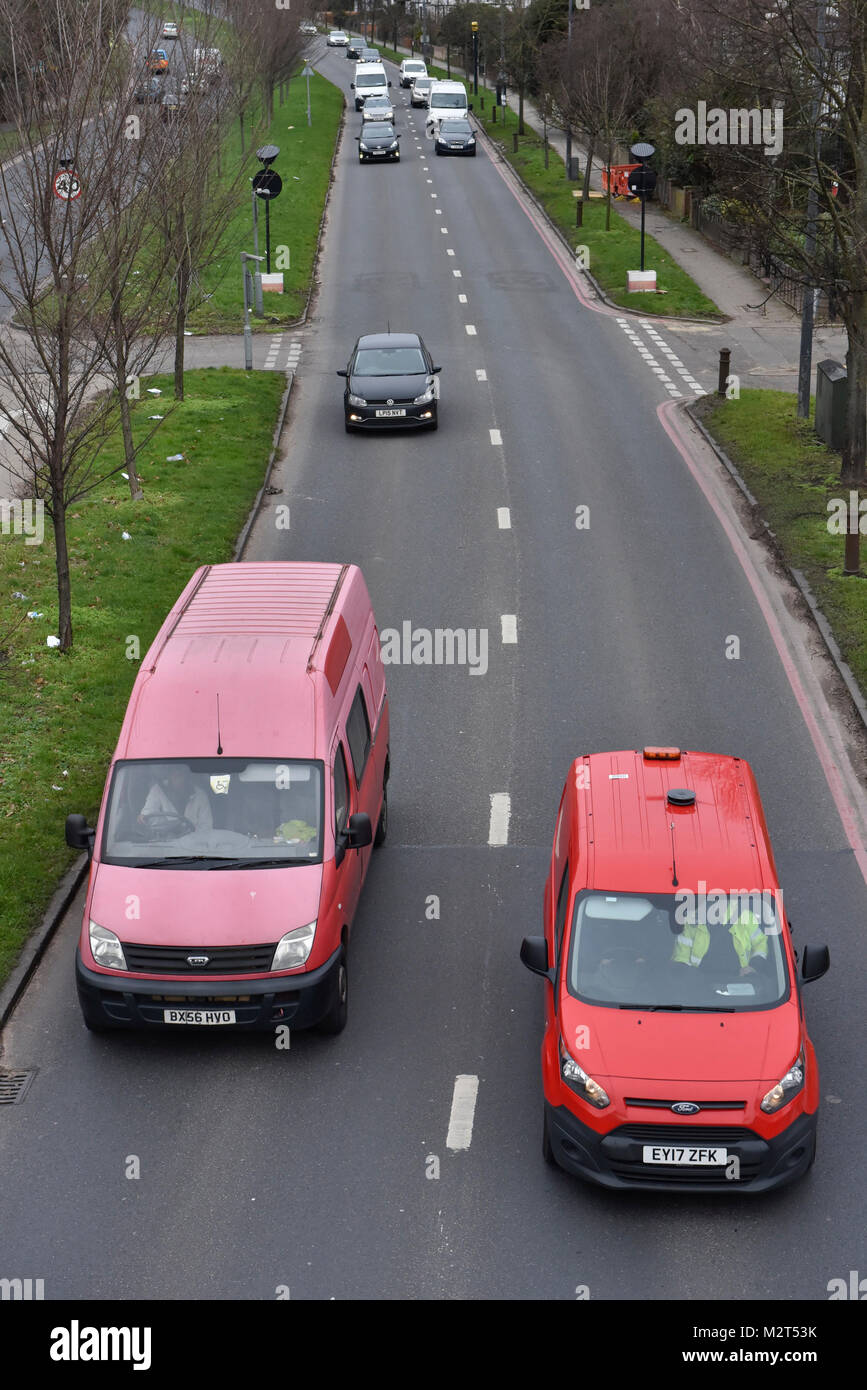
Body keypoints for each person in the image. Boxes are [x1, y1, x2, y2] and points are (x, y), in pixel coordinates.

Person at [671, 899, 768, 975]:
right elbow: (681, 959)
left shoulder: (745, 917)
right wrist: (691, 978)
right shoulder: (691, 920)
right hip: (700, 988)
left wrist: (754, 967)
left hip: (740, 984)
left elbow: (760, 943)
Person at [139, 766, 213, 833]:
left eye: (182, 774)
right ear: (169, 775)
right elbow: (148, 816)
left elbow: (206, 828)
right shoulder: (157, 791)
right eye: (175, 774)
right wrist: (143, 818)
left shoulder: (200, 796)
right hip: (164, 843)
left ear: (188, 776)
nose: (180, 779)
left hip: (193, 845)